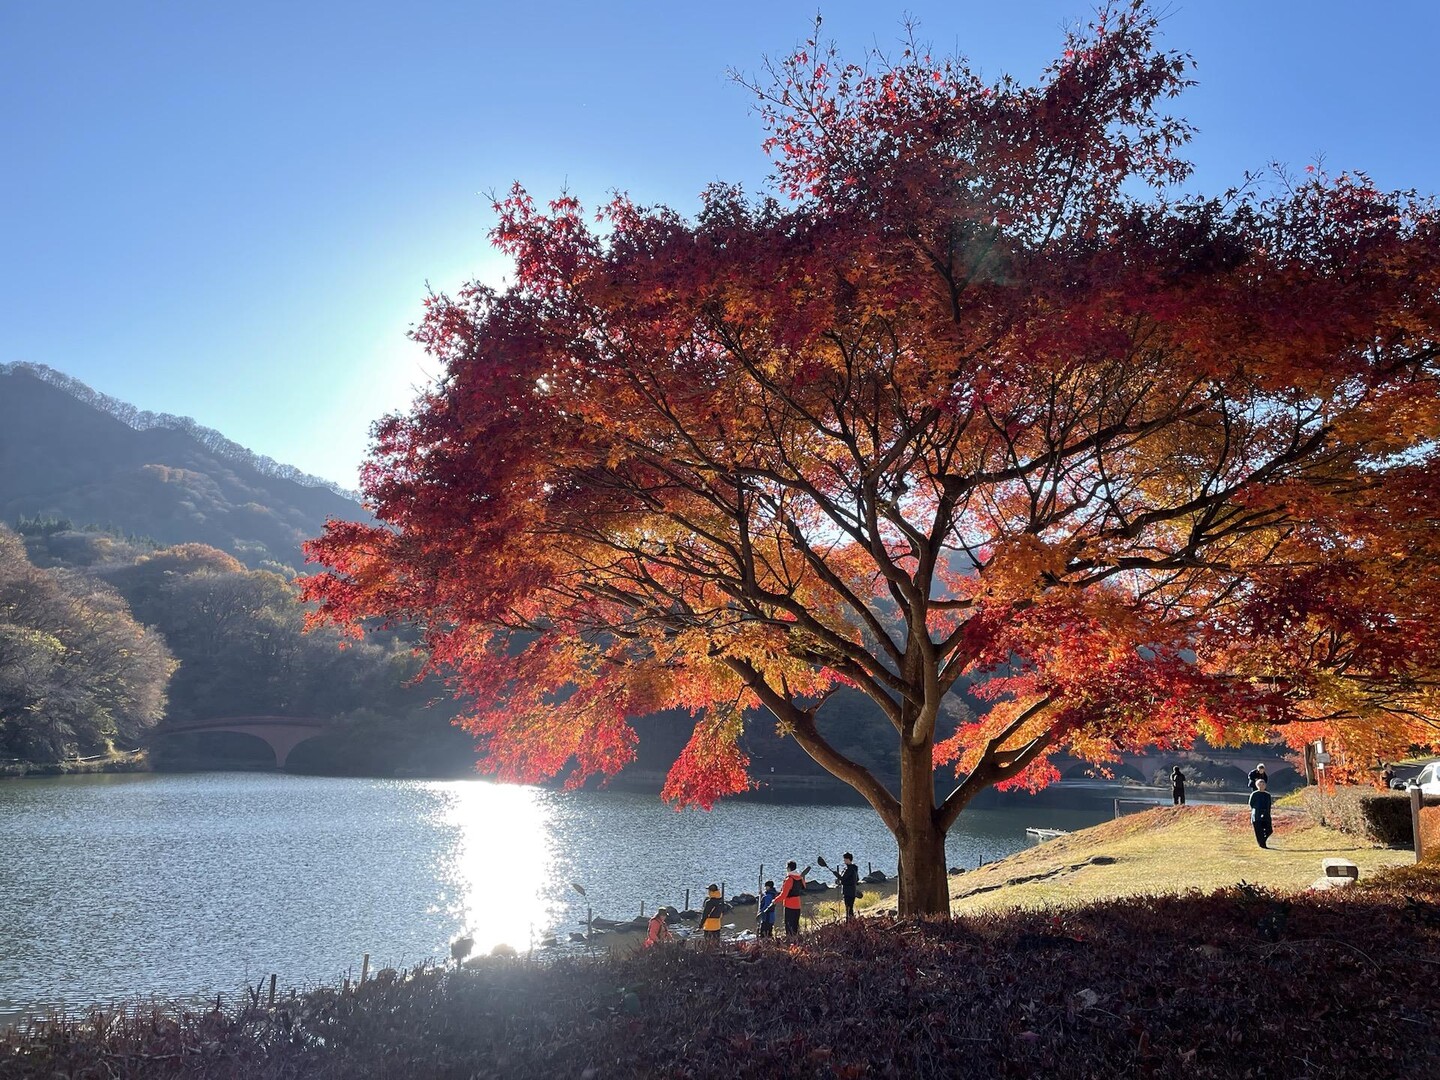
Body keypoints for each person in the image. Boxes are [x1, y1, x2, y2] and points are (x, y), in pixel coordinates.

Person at [779, 861, 808, 938]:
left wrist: (774, 901)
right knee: (795, 926)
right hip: (797, 905)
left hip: (789, 905)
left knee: (789, 927)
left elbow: (783, 895)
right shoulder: (799, 877)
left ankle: (790, 944)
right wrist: (803, 877)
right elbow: (804, 887)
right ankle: (796, 942)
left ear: (788, 868)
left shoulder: (789, 879)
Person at [1249, 778, 1274, 848]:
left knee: (1269, 830)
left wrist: (1267, 813)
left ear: (1265, 785)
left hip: (1266, 814)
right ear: (1257, 785)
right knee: (1258, 831)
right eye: (1260, 784)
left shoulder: (1267, 795)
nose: (1262, 785)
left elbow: (1269, 805)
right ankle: (1262, 844)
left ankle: (1262, 841)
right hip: (1256, 814)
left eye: (1263, 784)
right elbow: (1251, 804)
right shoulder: (1254, 794)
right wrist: (1256, 810)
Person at [838, 853, 860, 920]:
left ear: (848, 859)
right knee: (850, 908)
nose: (844, 861)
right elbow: (857, 879)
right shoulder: (854, 868)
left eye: (845, 859)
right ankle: (852, 923)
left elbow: (843, 879)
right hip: (852, 891)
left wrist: (839, 878)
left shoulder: (849, 869)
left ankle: (849, 923)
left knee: (848, 909)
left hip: (847, 892)